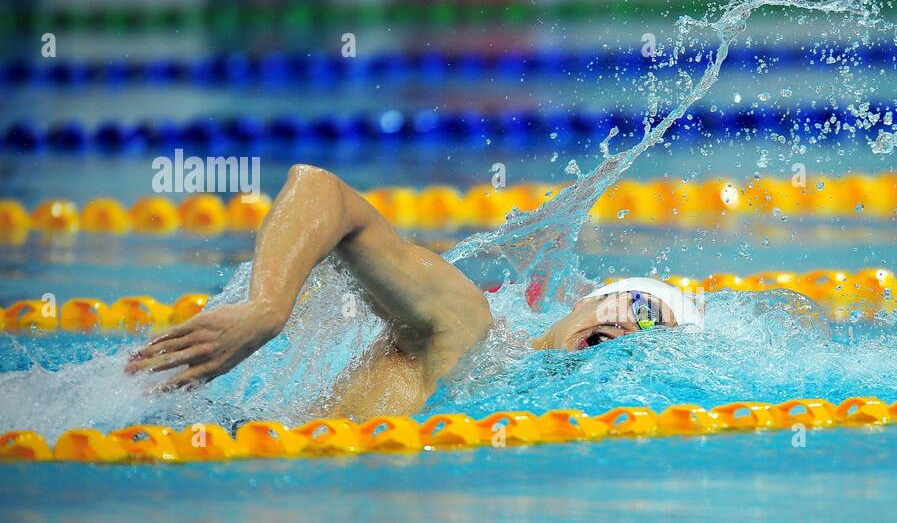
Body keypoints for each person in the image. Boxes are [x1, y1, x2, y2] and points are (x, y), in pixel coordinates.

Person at [126, 165, 704, 420]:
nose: (634, 334)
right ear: (585, 299)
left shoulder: (526, 402)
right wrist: (267, 307)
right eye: (643, 309)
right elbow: (322, 191)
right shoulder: (469, 329)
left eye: (654, 337)